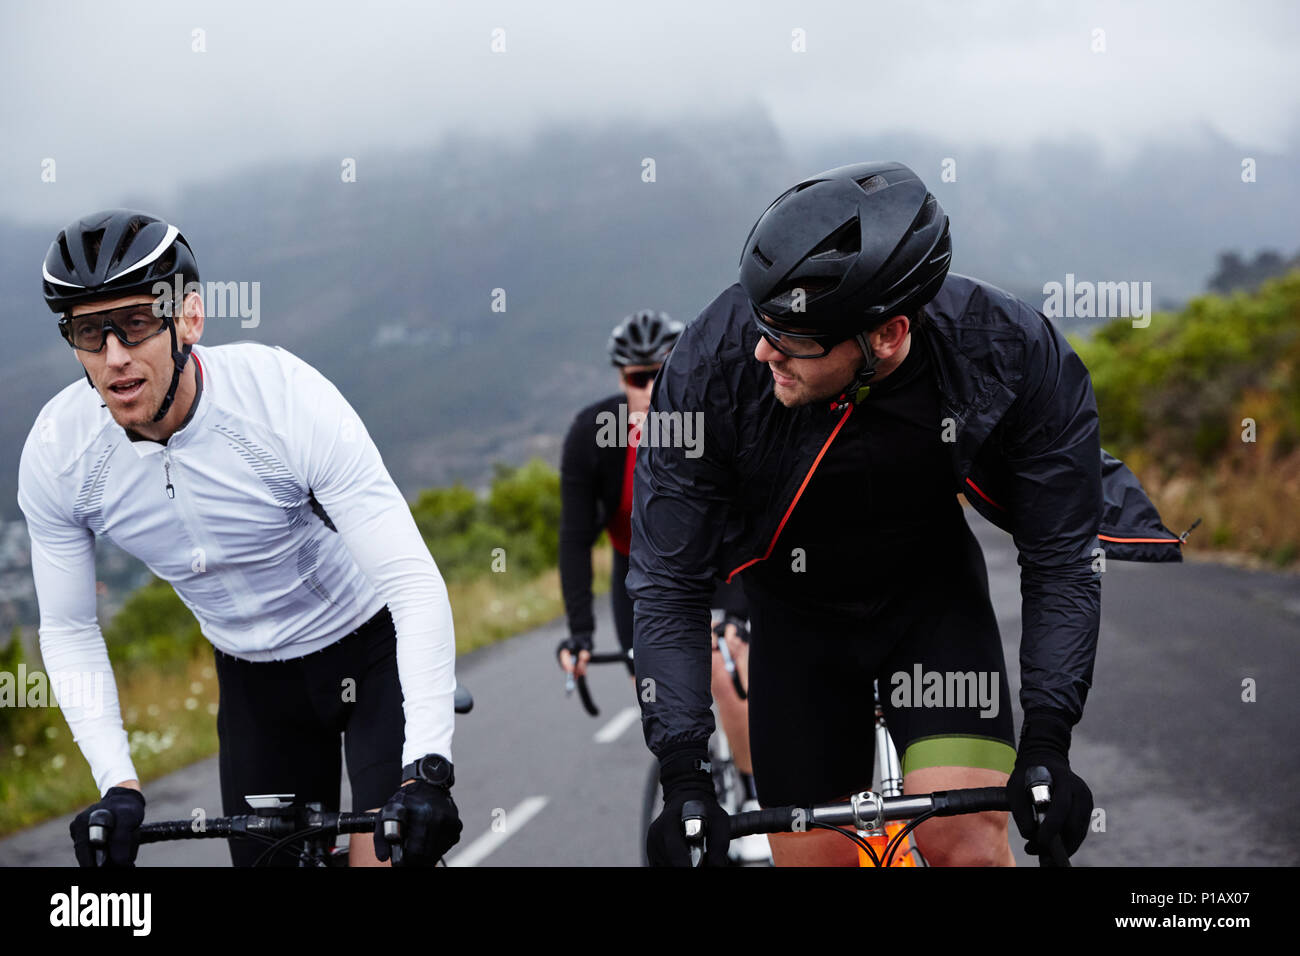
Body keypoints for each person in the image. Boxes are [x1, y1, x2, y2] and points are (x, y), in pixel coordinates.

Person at [630, 162, 1186, 866]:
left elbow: (1061, 558)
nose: (763, 349)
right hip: (798, 628)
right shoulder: (711, 366)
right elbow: (669, 581)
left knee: (968, 846)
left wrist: (1049, 738)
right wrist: (685, 773)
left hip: (932, 608)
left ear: (888, 334)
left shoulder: (1011, 351)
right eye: (761, 321)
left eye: (794, 340)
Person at [21, 209, 463, 867]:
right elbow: (68, 629)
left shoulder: (283, 401)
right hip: (255, 684)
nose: (115, 357)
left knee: (394, 857)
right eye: (90, 332)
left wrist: (428, 768)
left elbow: (411, 581)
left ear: (189, 319)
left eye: (136, 323)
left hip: (369, 653)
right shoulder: (60, 453)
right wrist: (117, 784)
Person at [555, 312, 760, 840]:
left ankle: (753, 796)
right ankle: (693, 782)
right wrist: (579, 632)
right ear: (620, 380)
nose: (648, 389)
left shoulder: (710, 418)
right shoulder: (592, 435)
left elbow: (747, 517)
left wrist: (737, 616)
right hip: (641, 572)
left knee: (725, 668)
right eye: (636, 378)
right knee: (660, 690)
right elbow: (575, 542)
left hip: (719, 558)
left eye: (660, 374)